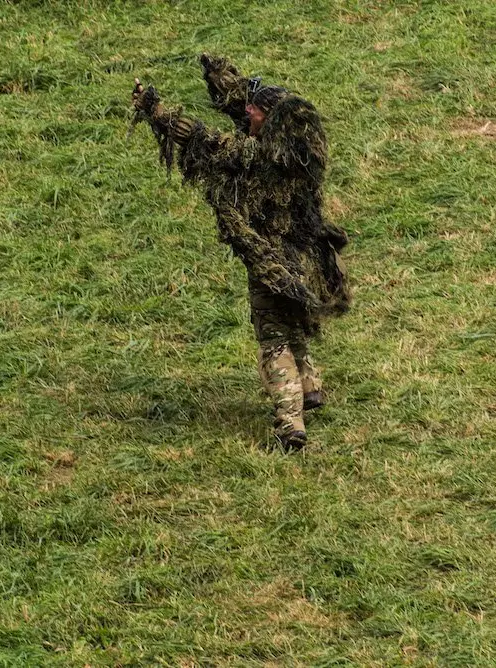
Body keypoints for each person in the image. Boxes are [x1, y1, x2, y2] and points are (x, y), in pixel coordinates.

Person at [131, 54, 351, 451]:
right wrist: (222, 78)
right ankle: (310, 387)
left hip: (271, 262)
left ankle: (291, 423)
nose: (247, 111)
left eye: (255, 111)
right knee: (293, 321)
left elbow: (200, 140)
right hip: (302, 256)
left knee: (273, 337)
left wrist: (153, 109)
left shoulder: (253, 158)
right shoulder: (297, 155)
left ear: (270, 121)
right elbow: (250, 104)